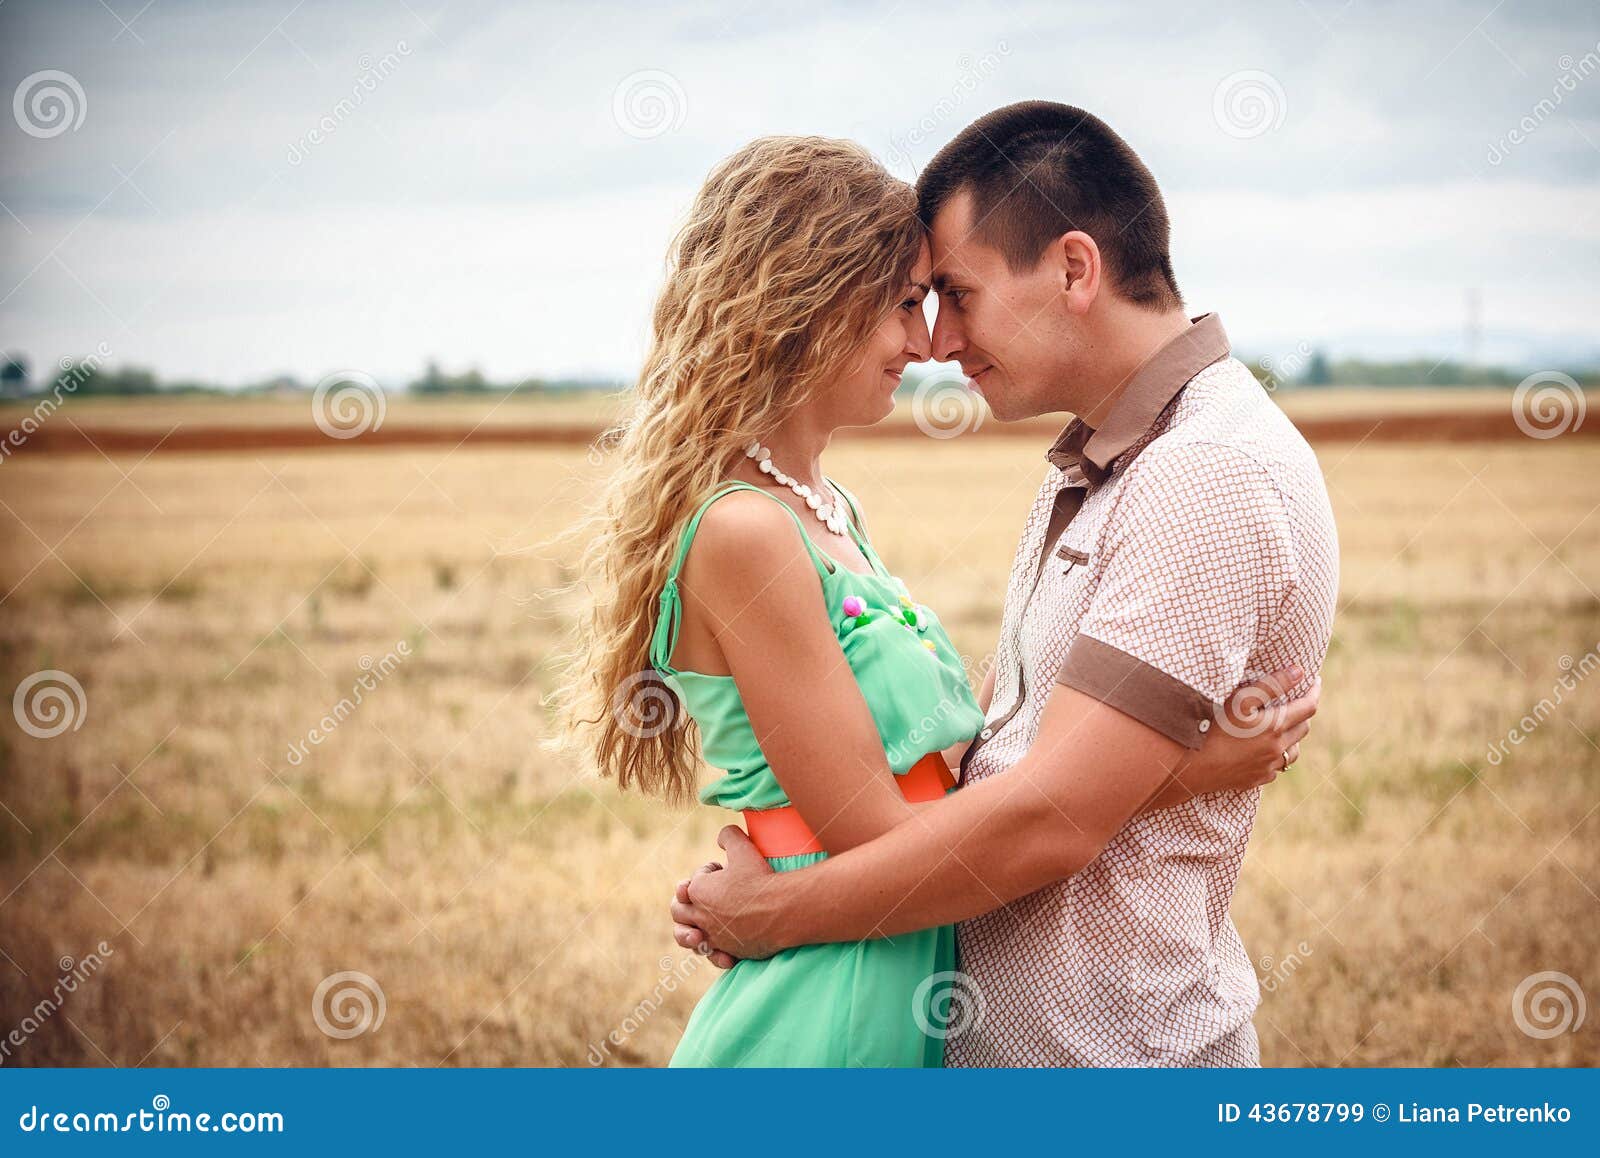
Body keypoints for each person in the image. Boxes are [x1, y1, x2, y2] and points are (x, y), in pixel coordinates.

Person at [557, 131, 1317, 1068]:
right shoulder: (756, 530)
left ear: (1075, 269)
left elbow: (985, 773)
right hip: (836, 1004)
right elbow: (916, 817)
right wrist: (1182, 771)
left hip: (917, 983)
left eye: (949, 297)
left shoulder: (1190, 472)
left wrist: (779, 905)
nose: (929, 343)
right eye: (908, 303)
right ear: (806, 305)